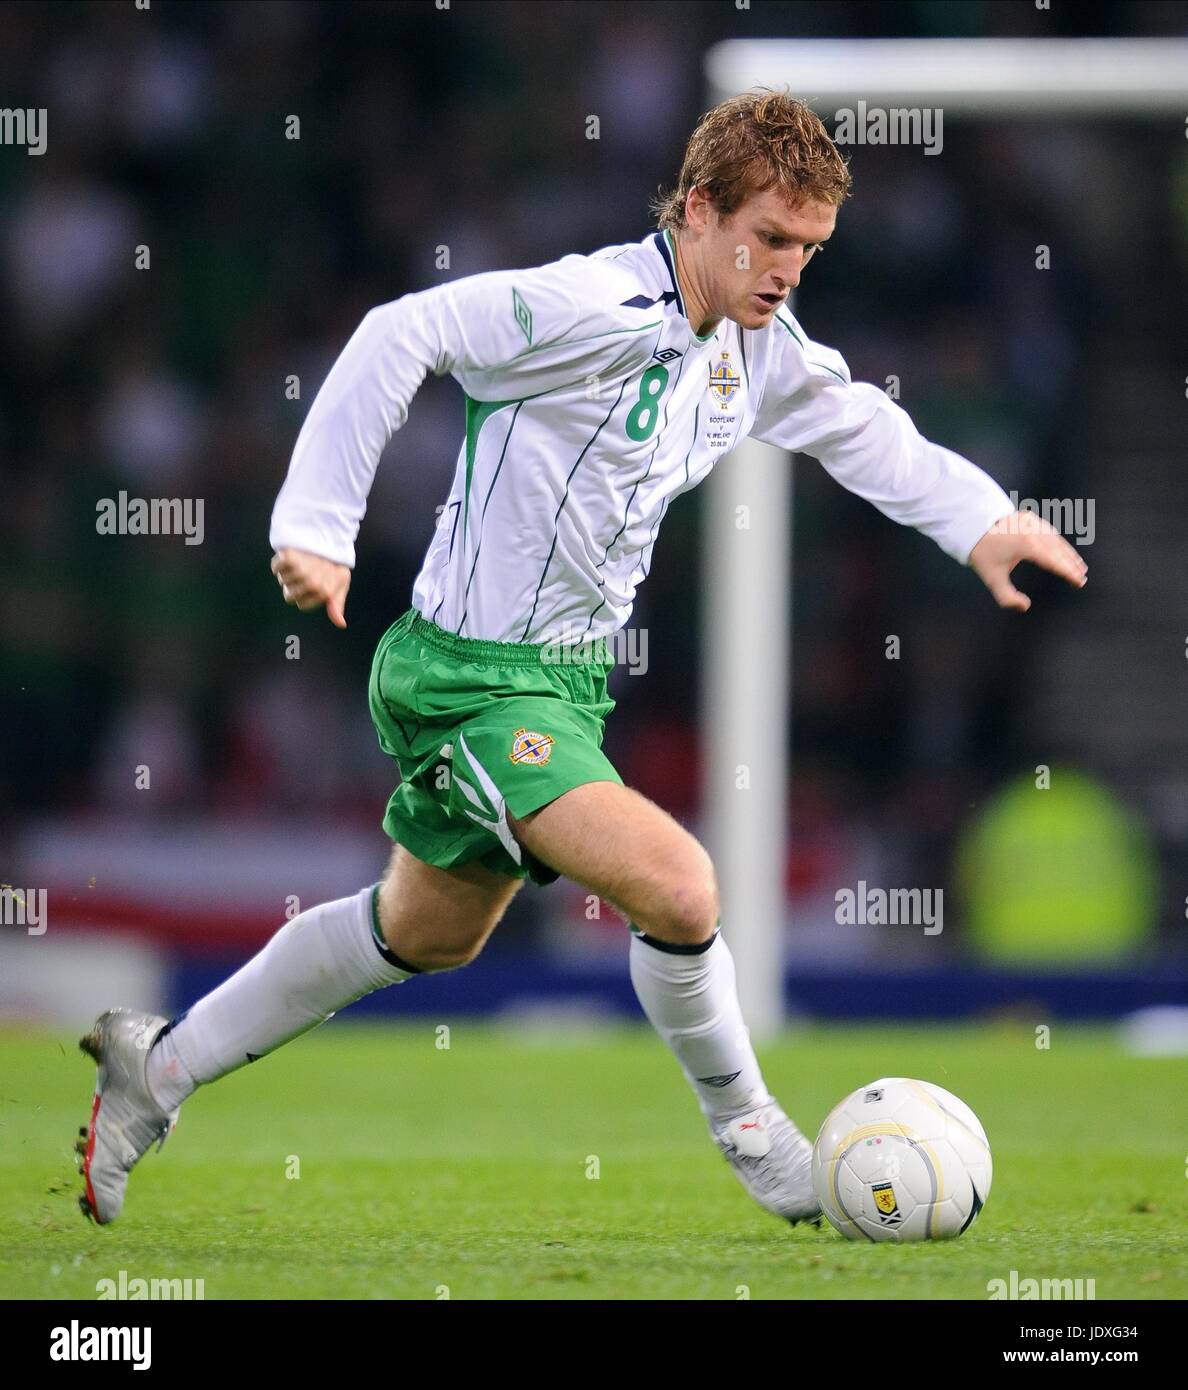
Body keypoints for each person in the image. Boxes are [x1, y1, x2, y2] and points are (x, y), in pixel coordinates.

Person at [76, 89, 1086, 1227]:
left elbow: (864, 427)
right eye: (769, 238)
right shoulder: (586, 303)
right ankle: (764, 1148)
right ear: (699, 208)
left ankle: (154, 1071)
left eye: (808, 248)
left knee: (424, 934)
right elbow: (400, 331)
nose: (787, 269)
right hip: (465, 673)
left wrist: (983, 520)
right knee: (682, 885)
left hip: (564, 686)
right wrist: (314, 524)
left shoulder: (753, 349)